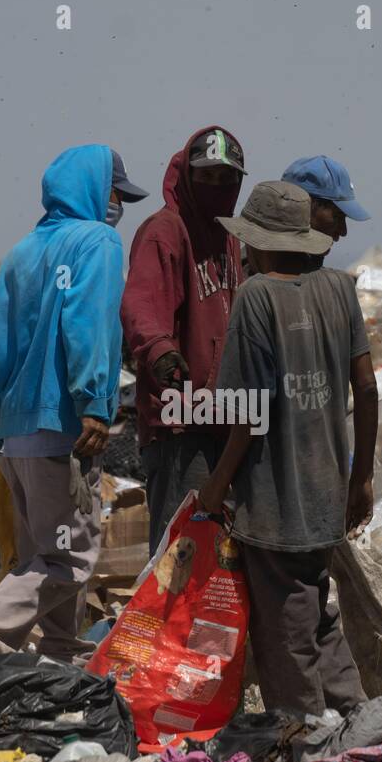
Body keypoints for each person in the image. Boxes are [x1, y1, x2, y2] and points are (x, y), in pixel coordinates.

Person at [0, 145, 146, 665]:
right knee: (69, 557)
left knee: (42, 551)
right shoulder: (98, 241)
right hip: (62, 427)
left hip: (17, 434)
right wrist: (96, 403)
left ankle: (61, 653)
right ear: (100, 191)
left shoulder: (25, 250)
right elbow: (90, 326)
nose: (119, 205)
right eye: (117, 194)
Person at [197, 181, 375, 718]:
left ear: (263, 243)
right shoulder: (340, 289)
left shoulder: (256, 296)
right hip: (328, 489)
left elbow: (248, 413)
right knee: (316, 613)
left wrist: (216, 487)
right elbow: (365, 388)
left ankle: (302, 741)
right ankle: (358, 718)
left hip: (277, 502)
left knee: (286, 634)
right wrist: (361, 478)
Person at [121, 125, 247, 552]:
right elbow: (141, 306)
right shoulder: (164, 232)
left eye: (225, 178)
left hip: (224, 417)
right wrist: (161, 352)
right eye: (206, 176)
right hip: (180, 419)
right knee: (178, 552)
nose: (216, 186)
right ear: (187, 176)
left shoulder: (229, 237)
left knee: (220, 551)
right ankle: (160, 624)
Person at [280, 155, 371, 268]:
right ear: (303, 207)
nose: (343, 231)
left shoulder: (331, 282)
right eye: (336, 217)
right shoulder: (257, 283)